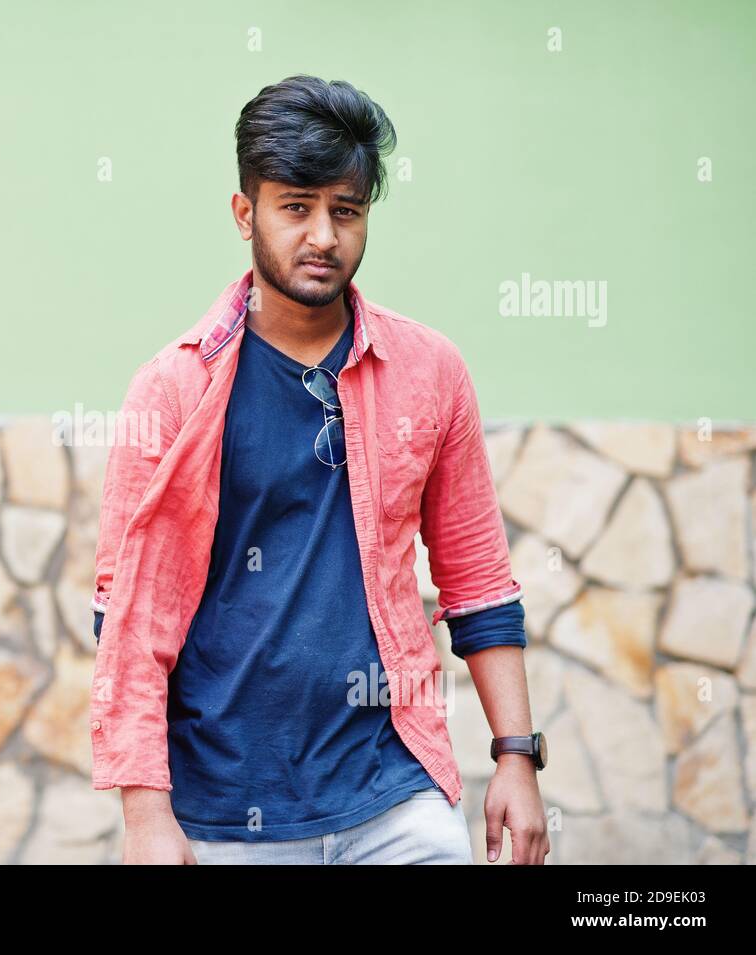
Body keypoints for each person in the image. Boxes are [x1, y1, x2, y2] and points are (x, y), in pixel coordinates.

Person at [89, 75, 550, 865]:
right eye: (296, 206)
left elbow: (478, 578)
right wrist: (145, 816)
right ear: (246, 214)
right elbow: (126, 619)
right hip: (229, 810)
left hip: (396, 795)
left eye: (346, 209)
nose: (323, 236)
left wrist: (516, 755)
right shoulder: (173, 388)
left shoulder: (429, 371)